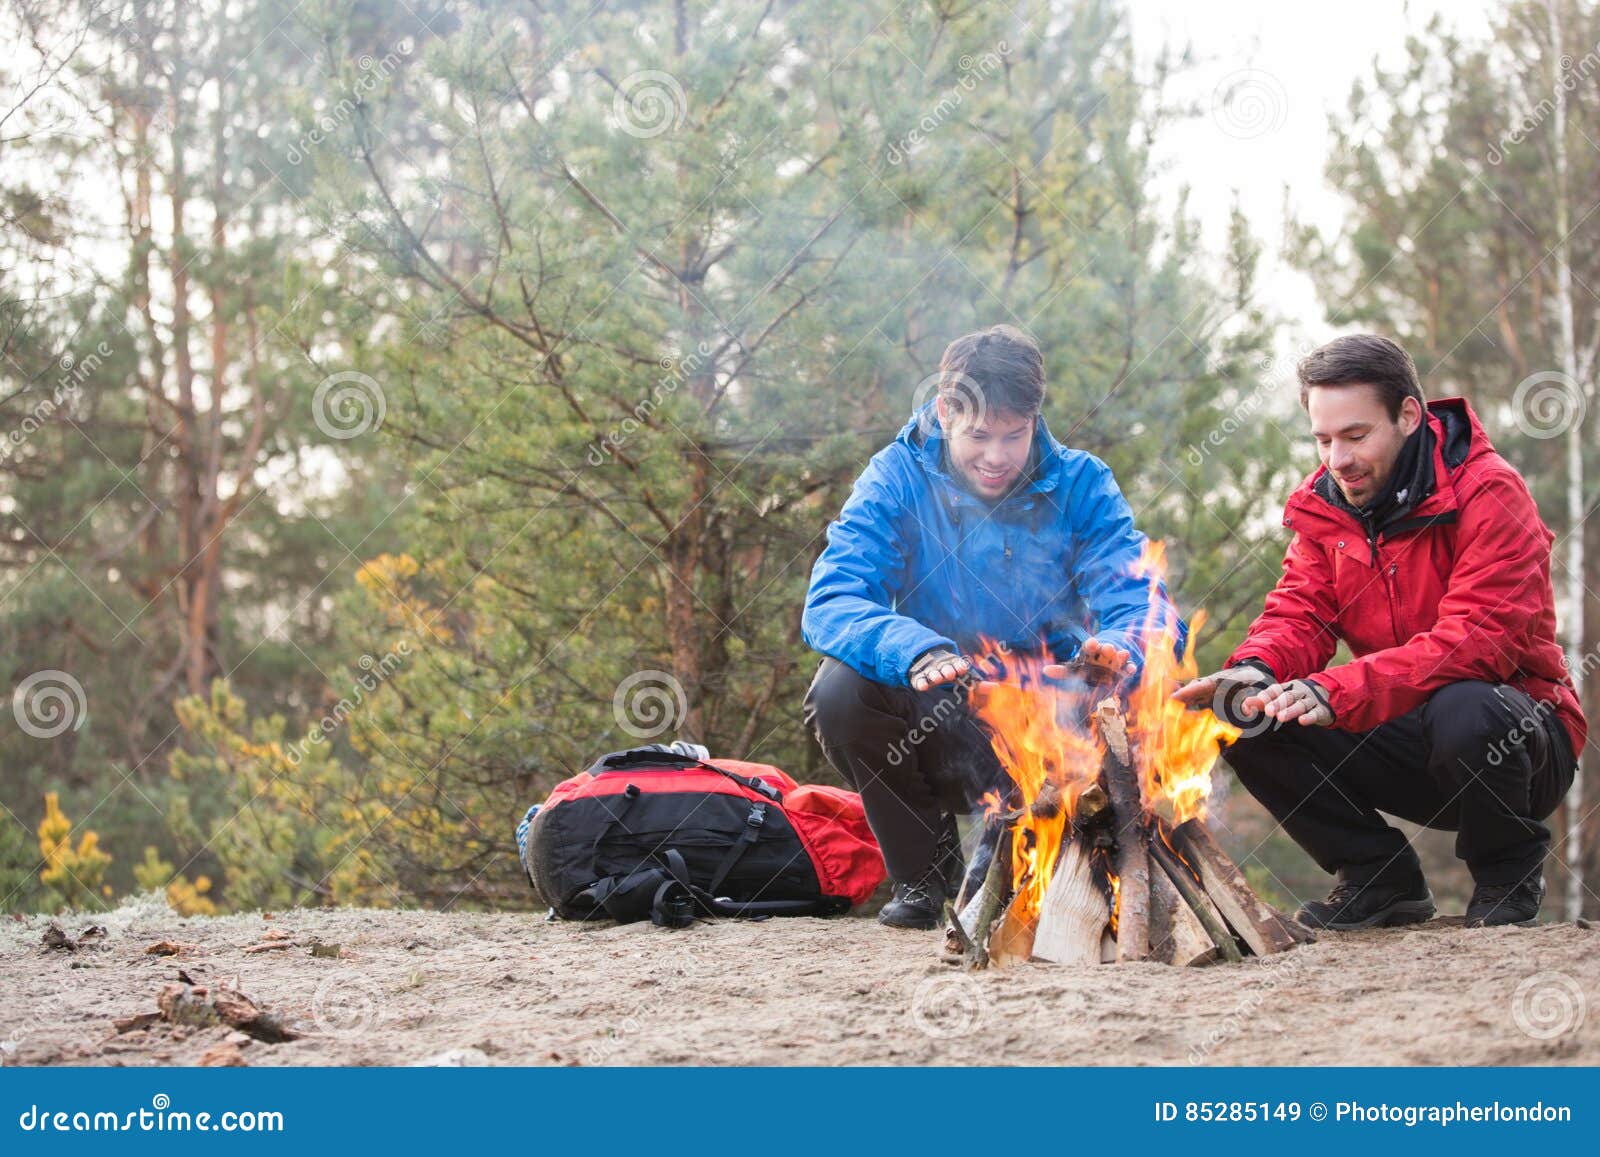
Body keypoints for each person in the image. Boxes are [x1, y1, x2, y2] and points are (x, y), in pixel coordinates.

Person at [1175, 334, 1585, 930]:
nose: (1337, 459)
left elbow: (1477, 641)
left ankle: (1507, 873)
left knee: (1466, 707)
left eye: (1356, 435)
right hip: (1405, 730)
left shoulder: (1490, 491)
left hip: (1519, 740)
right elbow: (1300, 612)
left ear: (1409, 416)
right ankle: (1379, 877)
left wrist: (1334, 691)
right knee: (1248, 715)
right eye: (1323, 440)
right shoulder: (1327, 506)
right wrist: (1254, 671)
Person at [801, 324, 1175, 929]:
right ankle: (924, 880)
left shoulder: (1082, 483)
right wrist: (916, 651)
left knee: (1124, 691)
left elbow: (1141, 599)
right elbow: (833, 599)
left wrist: (1120, 644)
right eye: (978, 436)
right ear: (946, 410)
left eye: (1013, 436)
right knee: (840, 691)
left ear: (1035, 418)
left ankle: (1044, 866)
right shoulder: (896, 476)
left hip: (1056, 721)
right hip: (941, 714)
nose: (996, 458)